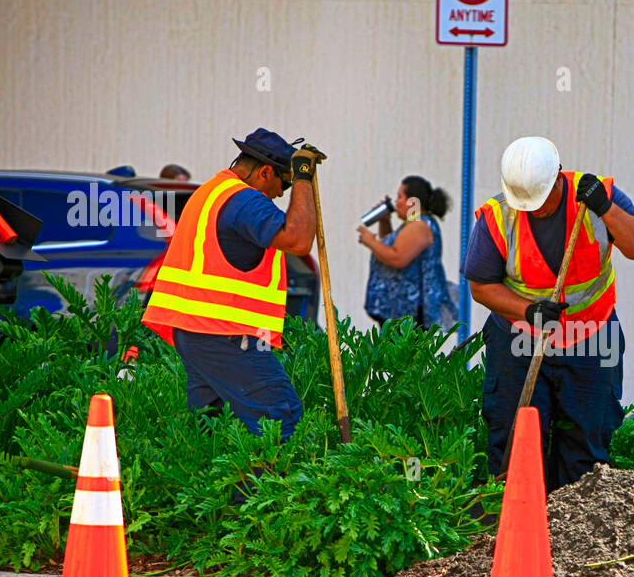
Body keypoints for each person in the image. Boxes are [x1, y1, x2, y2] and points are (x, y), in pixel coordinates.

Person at [462, 136, 634, 491]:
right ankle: (517, 524)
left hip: (592, 337)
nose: (533, 210)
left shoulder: (597, 197)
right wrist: (527, 310)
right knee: (516, 442)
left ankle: (575, 531)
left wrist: (606, 209)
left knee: (587, 445)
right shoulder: (498, 214)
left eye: (540, 200)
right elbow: (481, 287)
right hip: (520, 338)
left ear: (557, 177)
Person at [142, 127, 323, 441]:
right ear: (265, 172)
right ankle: (261, 492)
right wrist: (304, 178)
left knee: (211, 428)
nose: (281, 195)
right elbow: (298, 239)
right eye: (283, 184)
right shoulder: (244, 201)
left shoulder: (211, 191)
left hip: (196, 331)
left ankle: (210, 490)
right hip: (223, 333)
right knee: (279, 416)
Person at [357, 176, 457, 327]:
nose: (396, 202)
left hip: (410, 313)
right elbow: (390, 248)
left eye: (400, 197)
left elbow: (397, 258)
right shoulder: (414, 224)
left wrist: (371, 242)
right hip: (398, 310)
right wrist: (385, 222)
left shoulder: (420, 225)